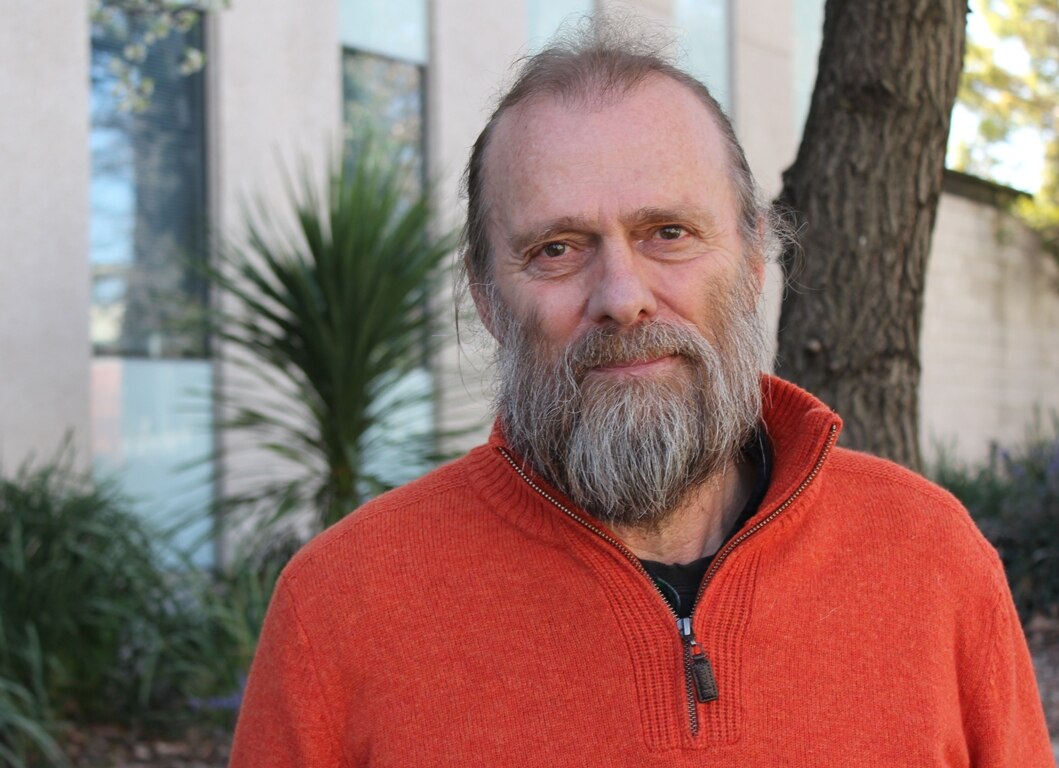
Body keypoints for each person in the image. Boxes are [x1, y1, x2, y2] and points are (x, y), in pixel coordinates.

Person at [229, 24, 1052, 767]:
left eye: (668, 233)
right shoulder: (341, 607)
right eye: (556, 248)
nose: (621, 295)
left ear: (756, 256)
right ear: (485, 297)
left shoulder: (932, 560)